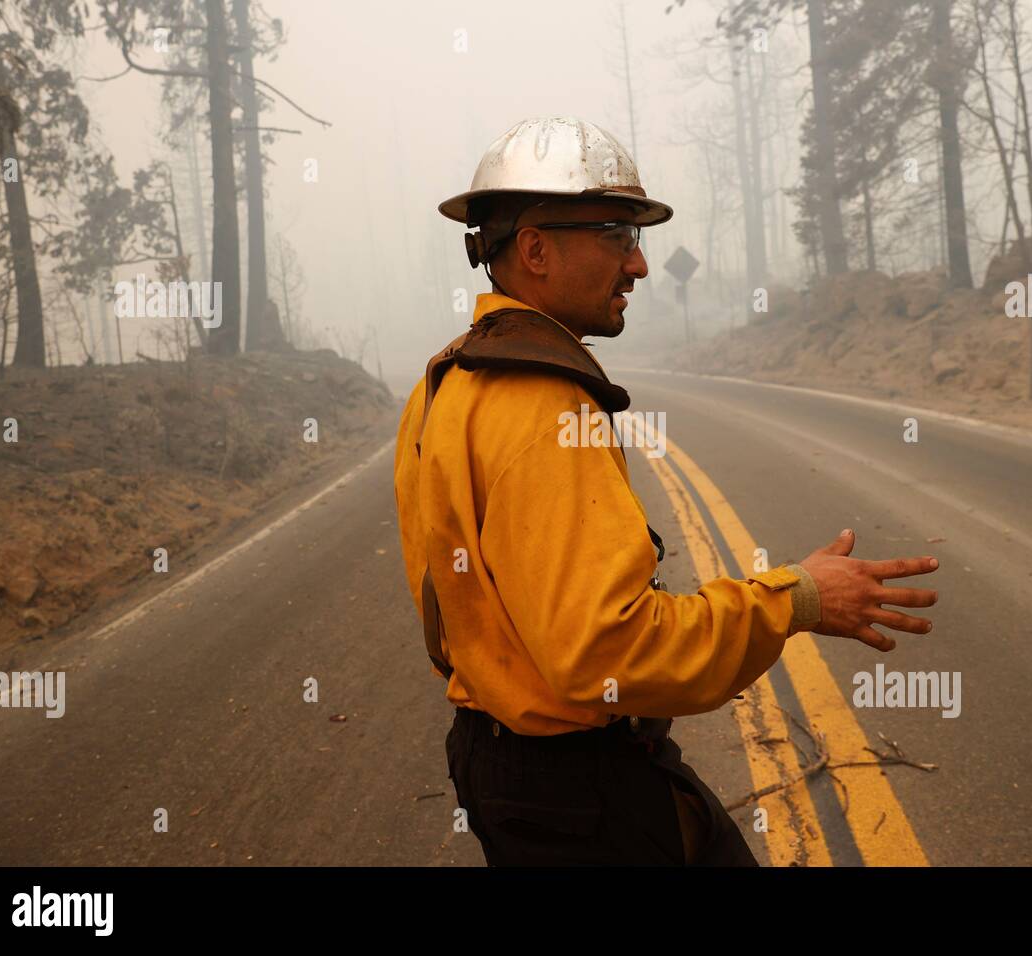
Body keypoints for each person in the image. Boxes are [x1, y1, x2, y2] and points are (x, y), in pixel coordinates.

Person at [394, 117, 939, 866]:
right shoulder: (542, 407)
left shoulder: (444, 381)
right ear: (535, 249)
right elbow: (609, 651)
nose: (641, 266)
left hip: (504, 765)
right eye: (617, 235)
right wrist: (796, 598)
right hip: (581, 792)